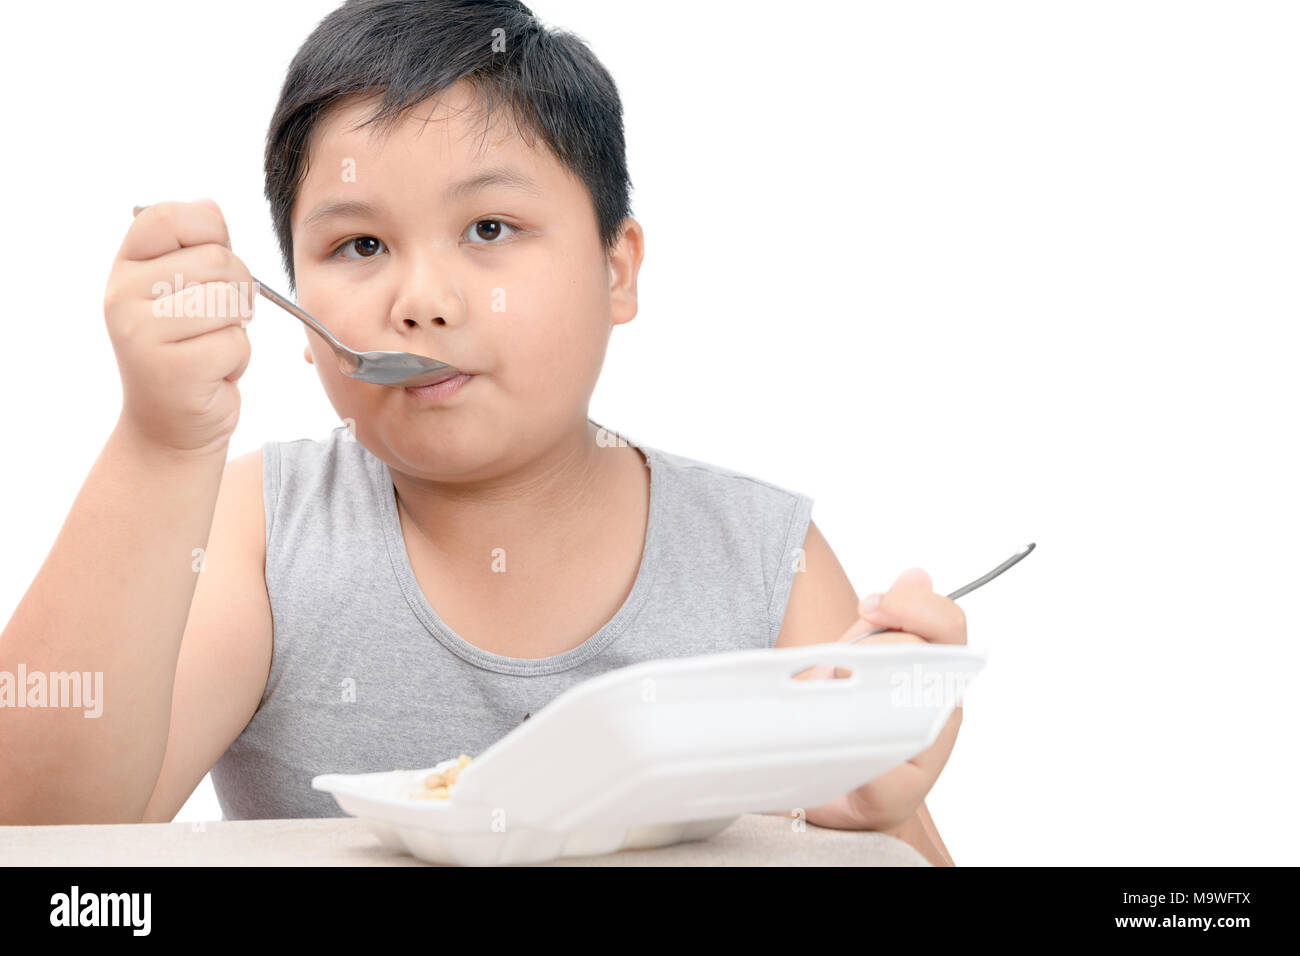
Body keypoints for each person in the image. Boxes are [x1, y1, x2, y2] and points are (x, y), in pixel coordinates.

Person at [0, 0, 965, 866]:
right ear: (294, 303)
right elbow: (43, 829)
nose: (422, 300)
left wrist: (873, 806)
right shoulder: (263, 532)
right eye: (360, 246)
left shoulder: (761, 557)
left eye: (491, 229)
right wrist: (160, 446)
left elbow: (889, 839)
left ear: (616, 268)